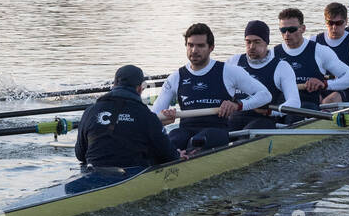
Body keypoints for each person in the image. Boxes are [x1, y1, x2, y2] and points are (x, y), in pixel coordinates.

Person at [151, 23, 272, 153]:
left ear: (211, 48)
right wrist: (163, 119)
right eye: (190, 45)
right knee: (172, 139)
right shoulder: (175, 77)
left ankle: (183, 159)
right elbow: (152, 117)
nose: (194, 50)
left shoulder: (229, 71)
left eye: (200, 45)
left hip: (216, 131)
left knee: (198, 141)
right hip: (185, 130)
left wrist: (238, 105)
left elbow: (265, 95)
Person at [74, 65, 180, 171]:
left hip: (93, 171)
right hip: (131, 175)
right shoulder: (147, 116)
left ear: (114, 84)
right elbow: (170, 156)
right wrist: (178, 154)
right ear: (139, 88)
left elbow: (80, 155)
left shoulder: (90, 111)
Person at [273, 7, 349, 110]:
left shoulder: (320, 51)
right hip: (281, 105)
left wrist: (325, 84)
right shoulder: (273, 54)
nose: (286, 34)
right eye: (283, 30)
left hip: (309, 105)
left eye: (291, 30)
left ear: (303, 28)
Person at [228, 20, 301, 130]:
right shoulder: (234, 61)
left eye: (257, 42)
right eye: (248, 42)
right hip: (235, 117)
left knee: (248, 133)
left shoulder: (281, 67)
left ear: (266, 42)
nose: (252, 46)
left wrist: (271, 111)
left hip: (264, 119)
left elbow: (294, 103)